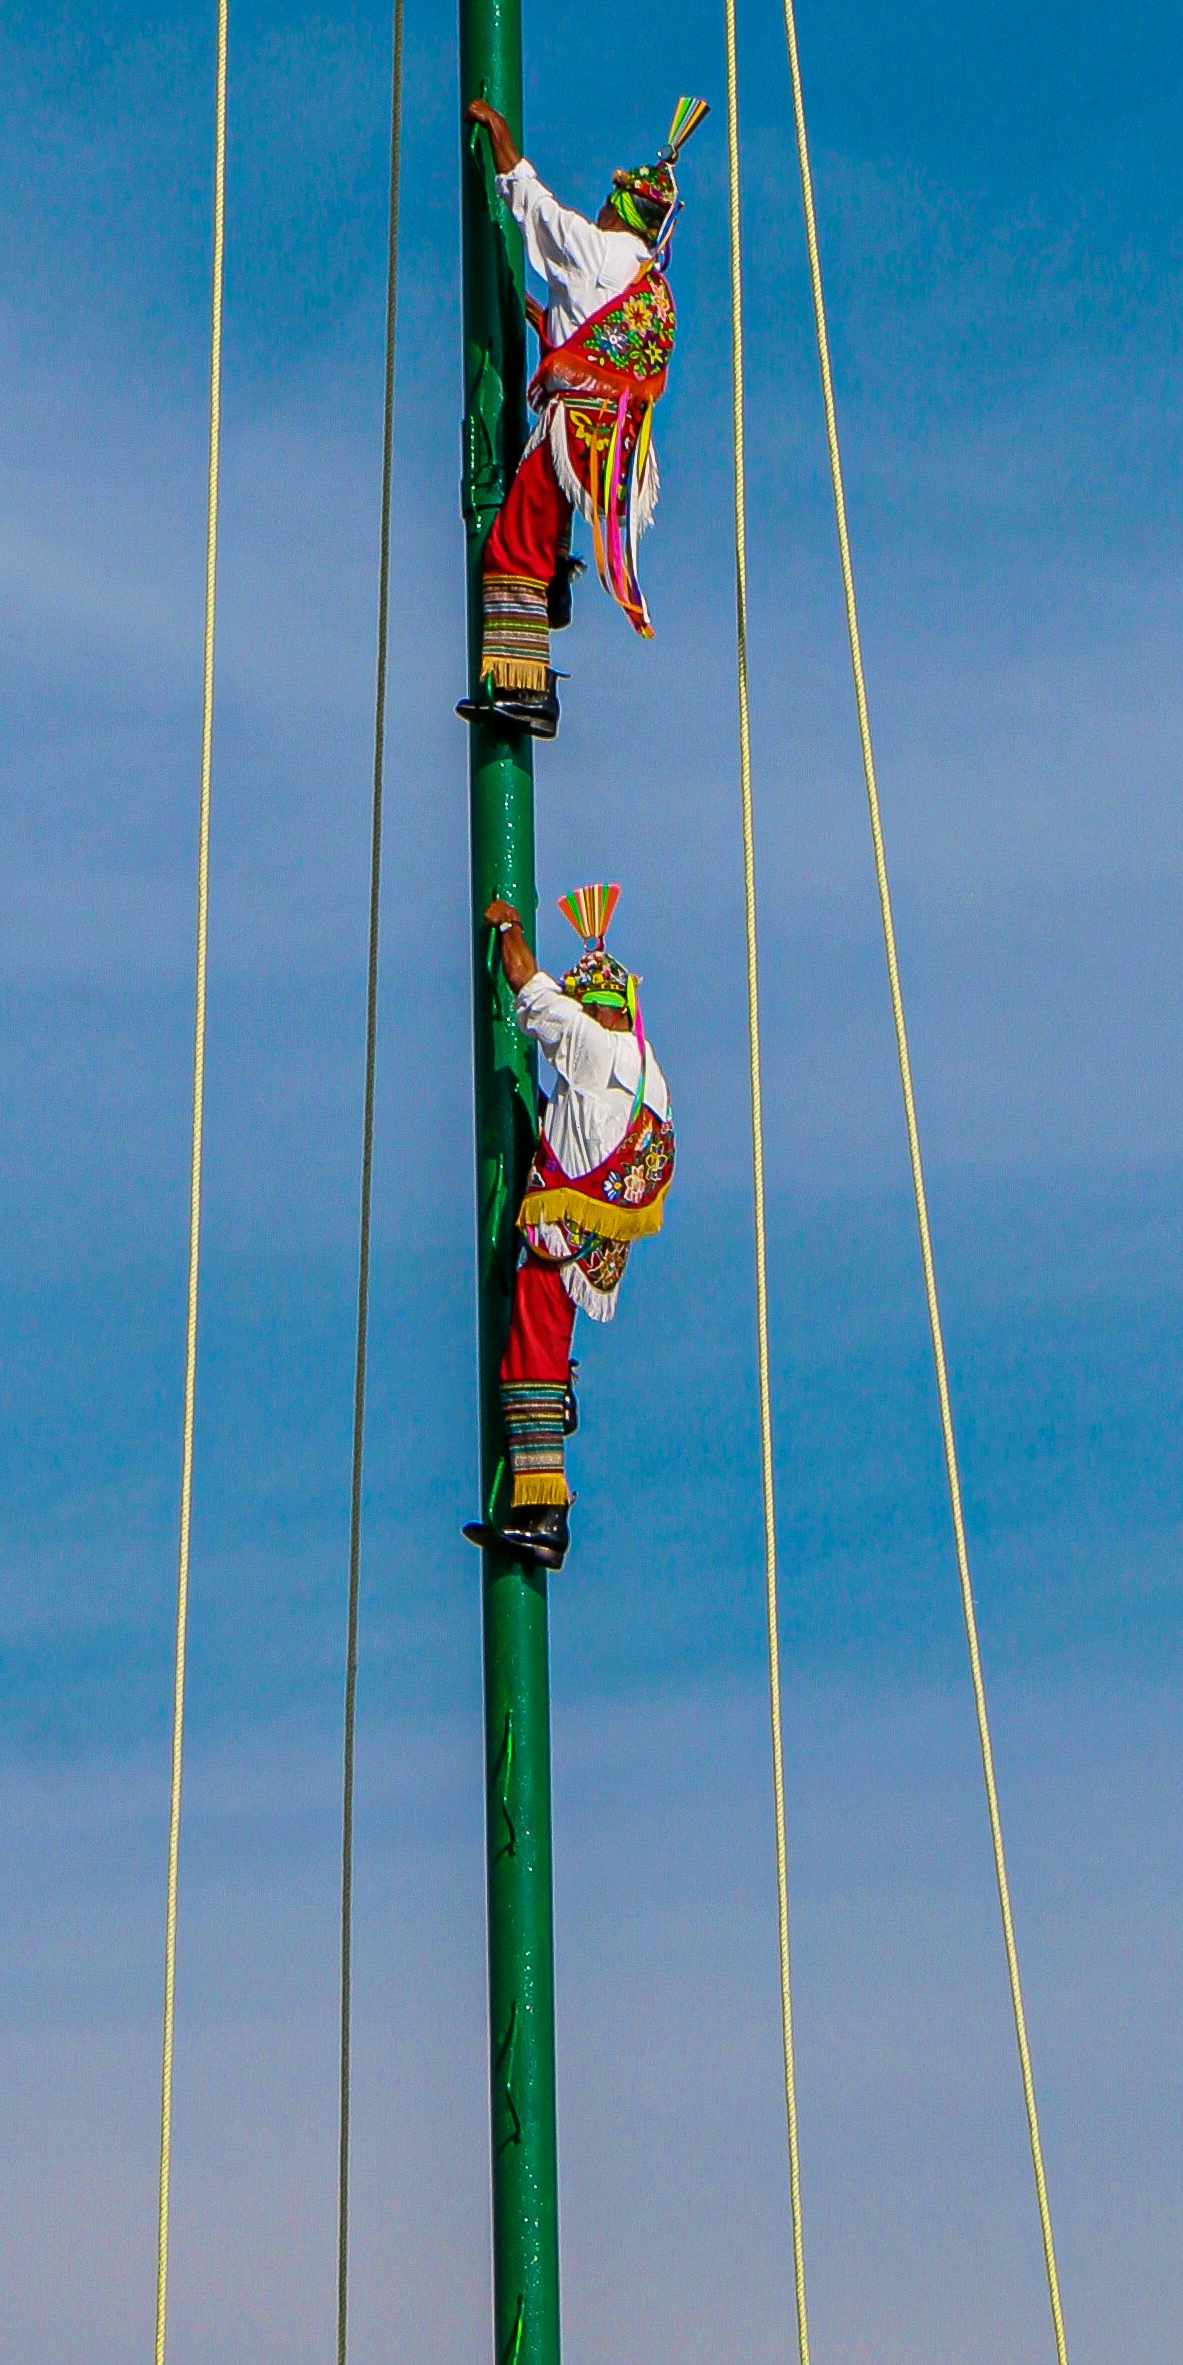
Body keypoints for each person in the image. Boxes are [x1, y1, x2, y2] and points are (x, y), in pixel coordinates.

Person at [461, 88, 706, 732]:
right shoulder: (650, 284)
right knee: (546, 518)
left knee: (512, 545)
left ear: (618, 209)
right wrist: (544, 319)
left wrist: (499, 135)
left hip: (574, 432)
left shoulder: (597, 251)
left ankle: (523, 687)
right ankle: (558, 587)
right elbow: (595, 338)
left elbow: (532, 202)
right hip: (618, 448)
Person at [482, 887, 673, 1554]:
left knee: (525, 1361)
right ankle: (562, 1394)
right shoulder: (648, 1071)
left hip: (560, 1240)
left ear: (599, 1007)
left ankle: (545, 1513)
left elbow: (526, 985)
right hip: (598, 1248)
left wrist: (507, 925)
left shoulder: (591, 1045)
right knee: (545, 1344)